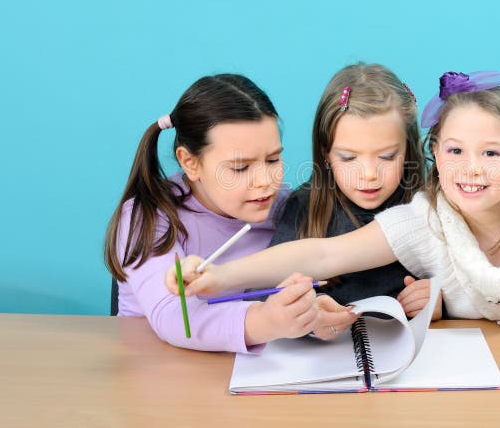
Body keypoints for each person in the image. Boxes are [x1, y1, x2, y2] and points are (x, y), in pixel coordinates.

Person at [166, 71, 500, 359]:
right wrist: (221, 277)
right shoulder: (428, 217)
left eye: (492, 153)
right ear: (436, 153)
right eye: (455, 151)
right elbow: (323, 254)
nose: (472, 169)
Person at [105, 73, 355, 352]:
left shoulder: (285, 208)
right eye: (240, 168)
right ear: (190, 163)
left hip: (253, 372)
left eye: (273, 159)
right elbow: (174, 318)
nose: (265, 181)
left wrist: (307, 316)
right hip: (157, 369)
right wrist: (267, 321)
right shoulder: (148, 216)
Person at [270, 63, 443, 328]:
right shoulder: (304, 206)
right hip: (326, 351)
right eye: (349, 158)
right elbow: (262, 296)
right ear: (326, 152)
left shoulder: (430, 207)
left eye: (387, 156)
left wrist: (441, 299)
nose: (369, 174)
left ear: (408, 150)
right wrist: (305, 314)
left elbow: (477, 287)